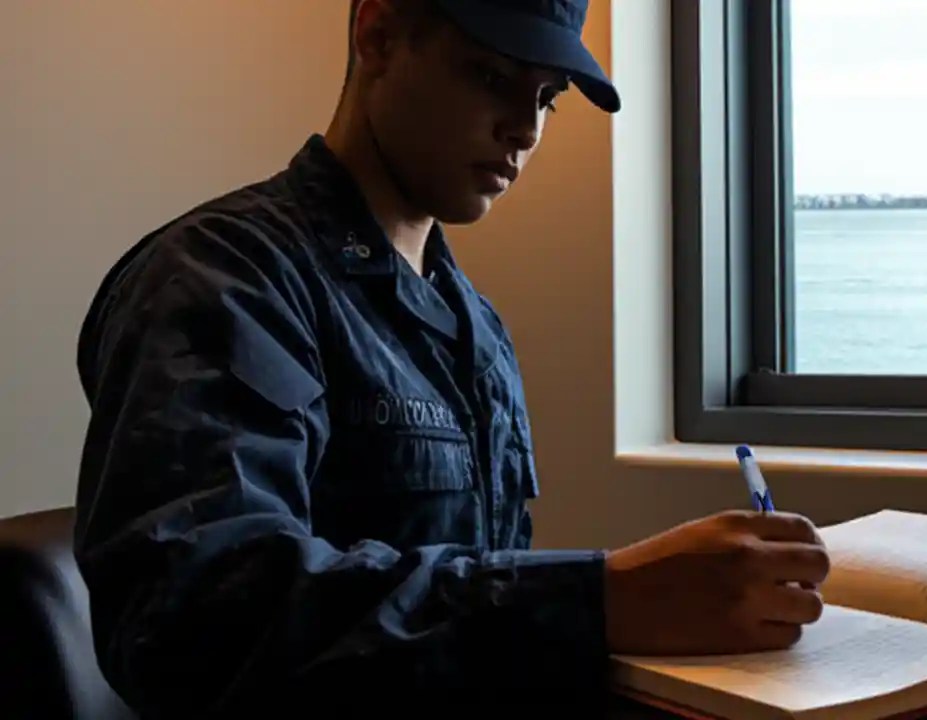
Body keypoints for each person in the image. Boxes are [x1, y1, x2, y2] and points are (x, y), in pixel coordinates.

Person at [72, 0, 830, 716]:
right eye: (493, 77)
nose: (525, 129)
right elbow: (194, 623)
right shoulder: (225, 279)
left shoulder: (474, 326)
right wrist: (601, 599)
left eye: (547, 97)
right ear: (377, 33)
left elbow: (470, 633)